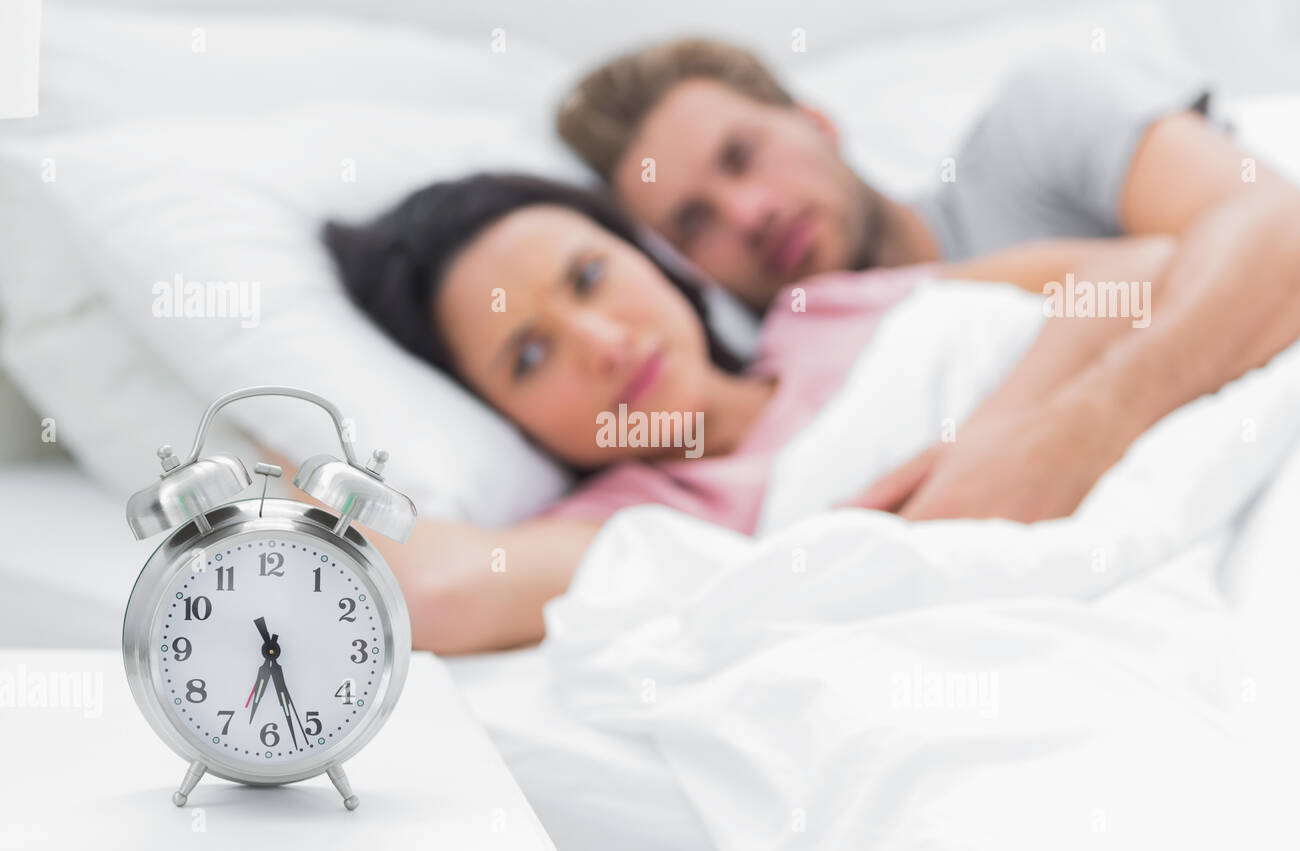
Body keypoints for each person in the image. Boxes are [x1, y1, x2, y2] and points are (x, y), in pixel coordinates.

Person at [271, 172, 1173, 654]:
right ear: (507, 420)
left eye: (589, 277)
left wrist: (1003, 438)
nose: (602, 341)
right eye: (531, 355)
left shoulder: (827, 310)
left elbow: (1143, 275)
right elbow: (439, 590)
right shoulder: (642, 518)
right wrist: (274, 473)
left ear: (653, 260)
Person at [556, 39, 1300, 521]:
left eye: (742, 155)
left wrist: (1071, 436)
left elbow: (1282, 233)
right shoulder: (798, 418)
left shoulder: (1032, 130)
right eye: (694, 223)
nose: (748, 214)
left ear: (815, 120)